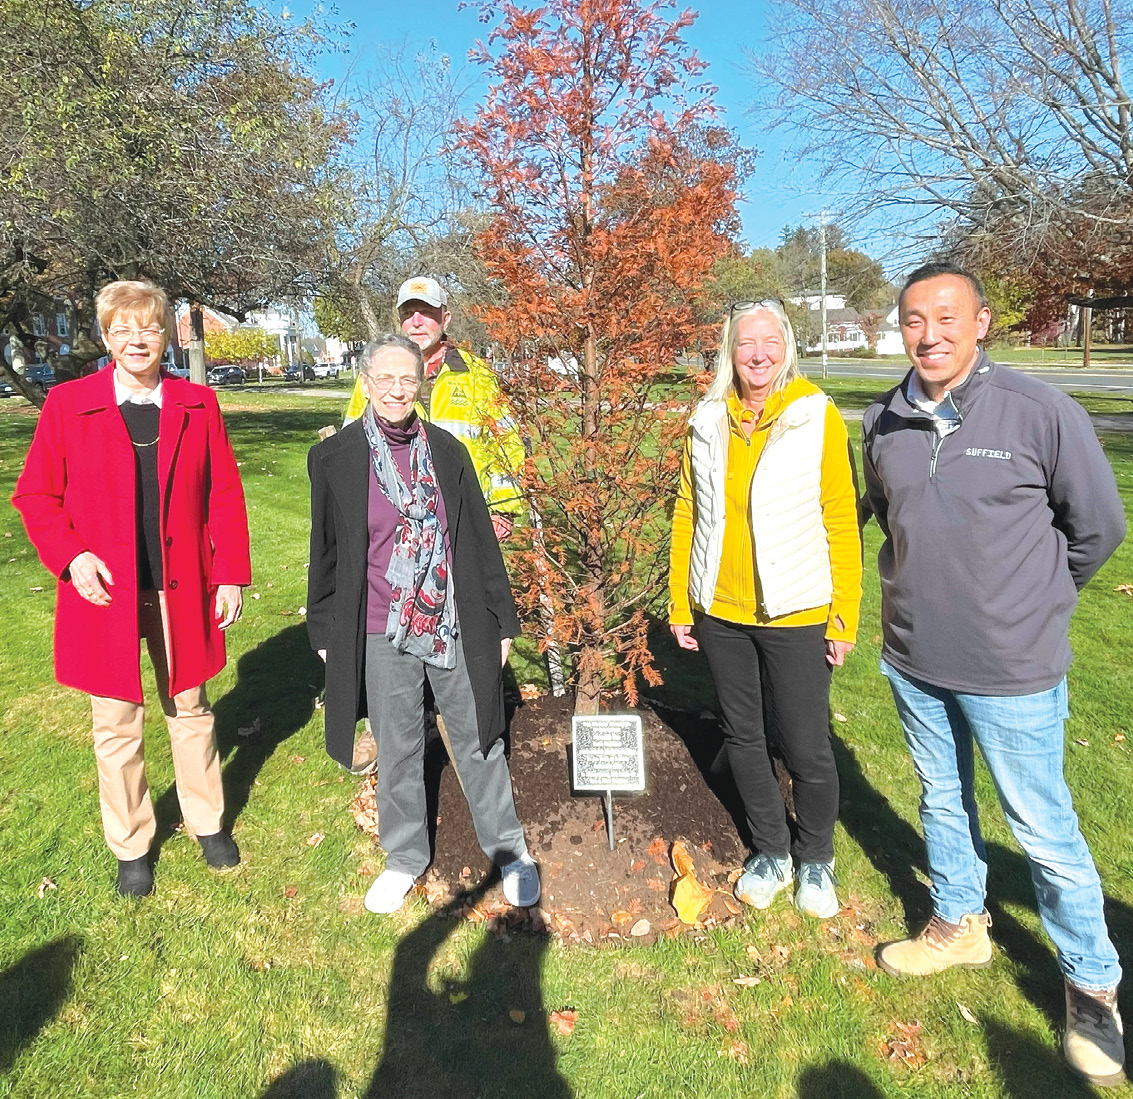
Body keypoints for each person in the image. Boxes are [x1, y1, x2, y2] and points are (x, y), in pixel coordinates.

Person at [862, 261, 1126, 1087]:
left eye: (945, 317)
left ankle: (1092, 983)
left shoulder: (1039, 411)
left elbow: (1096, 529)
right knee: (941, 798)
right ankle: (958, 921)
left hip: (1011, 668)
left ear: (981, 323)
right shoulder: (882, 420)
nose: (929, 333)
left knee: (1041, 827)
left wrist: (1034, 604)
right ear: (899, 329)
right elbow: (878, 522)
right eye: (913, 319)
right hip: (912, 658)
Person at [12, 279, 250, 898]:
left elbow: (223, 494)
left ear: (165, 332)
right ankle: (132, 843)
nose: (136, 340)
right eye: (122, 329)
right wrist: (71, 557)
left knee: (191, 709)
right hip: (107, 591)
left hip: (183, 584)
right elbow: (36, 496)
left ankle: (206, 822)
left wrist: (228, 574)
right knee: (116, 721)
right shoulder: (69, 404)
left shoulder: (197, 404)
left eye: (146, 328)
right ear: (106, 337)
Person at [307, 333, 539, 915]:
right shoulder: (334, 459)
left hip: (451, 622)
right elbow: (327, 554)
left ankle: (510, 851)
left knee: (478, 736)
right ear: (364, 381)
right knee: (399, 745)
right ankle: (404, 856)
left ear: (422, 386)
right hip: (379, 627)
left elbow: (480, 544)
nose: (395, 390)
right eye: (384, 378)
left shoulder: (448, 453)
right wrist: (326, 633)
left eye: (407, 379)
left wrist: (500, 621)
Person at [668, 299, 862, 919]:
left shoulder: (814, 414)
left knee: (806, 745)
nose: (757, 355)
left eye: (769, 343)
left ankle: (816, 858)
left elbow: (840, 516)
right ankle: (772, 851)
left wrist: (844, 613)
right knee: (743, 736)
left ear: (786, 349)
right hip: (722, 612)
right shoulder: (705, 419)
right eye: (745, 343)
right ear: (729, 351)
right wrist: (682, 600)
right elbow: (686, 513)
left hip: (796, 610)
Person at [342, 276, 524, 541]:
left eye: (426, 312)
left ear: (445, 319)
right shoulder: (373, 374)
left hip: (463, 516)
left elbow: (507, 443)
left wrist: (503, 510)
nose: (416, 321)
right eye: (408, 313)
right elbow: (350, 441)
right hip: (392, 519)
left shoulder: (477, 376)